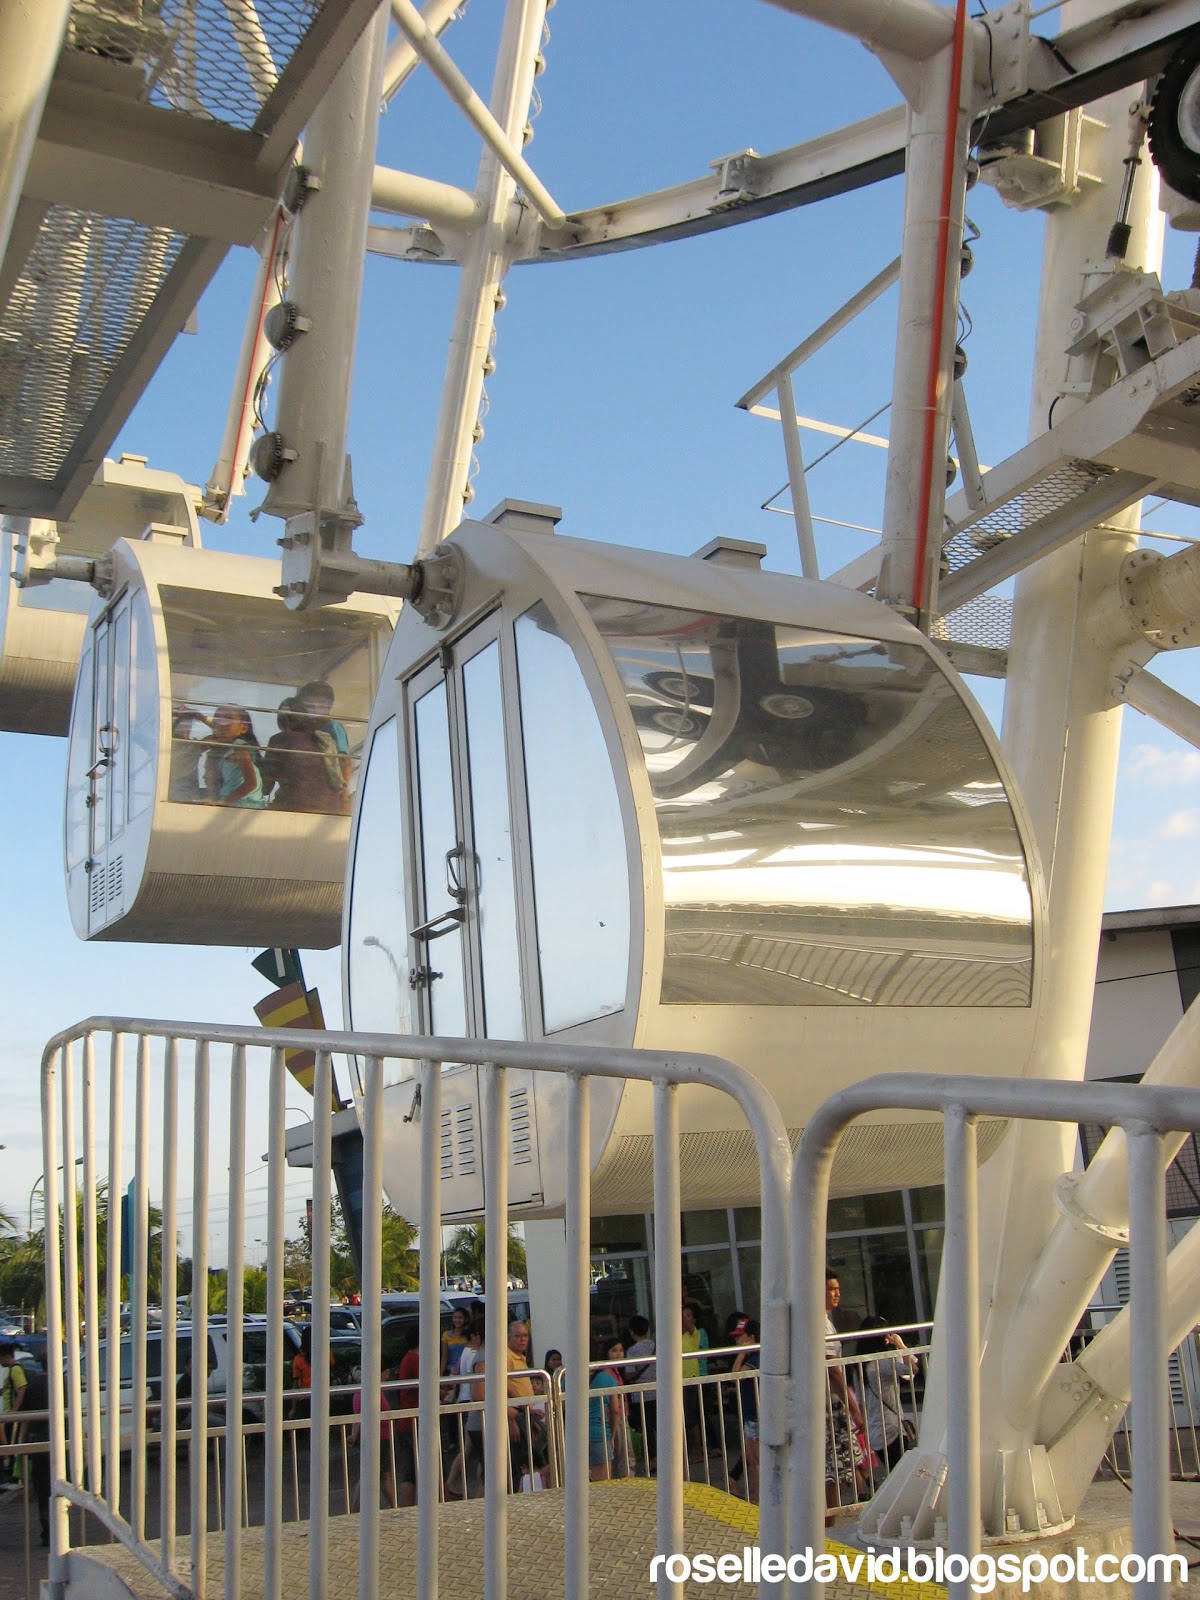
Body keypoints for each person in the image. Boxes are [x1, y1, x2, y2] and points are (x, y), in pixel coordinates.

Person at [824, 1271, 866, 1520]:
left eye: (838, 1288)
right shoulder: (821, 1323)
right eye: (831, 1289)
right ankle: (827, 1519)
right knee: (832, 1466)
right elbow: (832, 1368)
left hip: (833, 1404)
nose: (837, 1293)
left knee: (838, 1465)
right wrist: (854, 1408)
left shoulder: (828, 1321)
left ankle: (830, 1517)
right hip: (830, 1405)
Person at [261, 696, 345, 814]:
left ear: (281, 720)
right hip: (330, 808)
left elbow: (265, 788)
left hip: (295, 805)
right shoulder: (322, 739)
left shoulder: (279, 740)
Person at [857, 1315, 918, 1473]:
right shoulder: (882, 1363)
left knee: (895, 1473)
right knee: (904, 1474)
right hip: (892, 1427)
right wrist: (900, 1345)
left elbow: (860, 1401)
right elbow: (913, 1368)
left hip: (875, 1431)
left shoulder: (859, 1368)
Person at [350, 1358, 398, 1511]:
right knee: (374, 1475)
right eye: (386, 1373)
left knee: (382, 1474)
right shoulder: (371, 1391)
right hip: (378, 1436)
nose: (387, 1376)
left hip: (379, 1436)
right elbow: (364, 1415)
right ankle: (356, 1509)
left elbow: (357, 1416)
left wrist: (354, 1434)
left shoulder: (362, 1390)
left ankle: (394, 1505)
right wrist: (355, 1434)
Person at [504, 1320, 546, 1489]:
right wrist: (511, 1419)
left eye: (525, 1336)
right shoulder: (506, 1356)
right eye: (518, 1336)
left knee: (535, 1455)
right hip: (516, 1415)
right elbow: (504, 1386)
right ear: (508, 1337)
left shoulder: (521, 1357)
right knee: (525, 1462)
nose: (523, 1339)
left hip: (526, 1412)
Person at [446, 1319, 483, 1498]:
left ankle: (451, 1483)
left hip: (464, 1399)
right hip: (471, 1401)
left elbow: (454, 1372)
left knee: (470, 1448)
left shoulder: (465, 1352)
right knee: (474, 1448)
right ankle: (455, 1484)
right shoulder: (475, 1353)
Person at [202, 705, 264, 807]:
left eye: (227, 719)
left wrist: (222, 803)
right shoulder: (225, 749)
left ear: (243, 728)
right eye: (217, 719)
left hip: (245, 805)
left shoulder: (239, 747)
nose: (221, 724)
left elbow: (251, 784)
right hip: (233, 802)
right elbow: (196, 748)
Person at [728, 1315, 760, 1502]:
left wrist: (741, 1353)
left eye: (741, 1336)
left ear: (751, 1338)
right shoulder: (754, 1357)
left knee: (756, 1462)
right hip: (752, 1414)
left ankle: (758, 1498)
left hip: (755, 1415)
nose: (736, 1340)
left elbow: (735, 1375)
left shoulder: (754, 1357)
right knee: (751, 1458)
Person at [588, 1337, 627, 1481]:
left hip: (574, 1436)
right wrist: (611, 1436)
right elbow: (616, 1411)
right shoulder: (608, 1378)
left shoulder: (567, 1378)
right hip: (599, 1434)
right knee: (602, 1484)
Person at [624, 1315, 656, 1473]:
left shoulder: (632, 1351)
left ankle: (652, 1459)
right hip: (657, 1391)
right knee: (659, 1426)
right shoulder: (655, 1345)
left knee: (647, 1428)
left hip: (641, 1394)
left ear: (631, 1331)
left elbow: (630, 1373)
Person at [681, 1304, 709, 1463]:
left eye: (688, 1315)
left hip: (690, 1379)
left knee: (691, 1418)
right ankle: (690, 1449)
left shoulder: (694, 1334)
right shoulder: (676, 1335)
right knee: (685, 1417)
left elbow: (687, 1325)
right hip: (681, 1379)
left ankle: (698, 1450)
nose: (685, 1318)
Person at [0, 1343, 28, 1488]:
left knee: (12, 1444)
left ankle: (14, 1478)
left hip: (14, 1416)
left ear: (6, 1357)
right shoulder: (11, 1372)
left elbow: (22, 1387)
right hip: (9, 1415)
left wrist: (15, 1410)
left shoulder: (16, 1370)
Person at [441, 1306, 471, 1376]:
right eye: (455, 1317)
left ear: (466, 1319)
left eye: (460, 1317)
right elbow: (444, 1358)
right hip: (451, 1370)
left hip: (465, 1370)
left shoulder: (469, 1335)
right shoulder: (446, 1335)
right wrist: (441, 1375)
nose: (457, 1320)